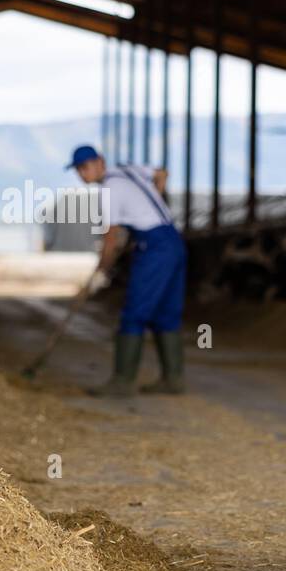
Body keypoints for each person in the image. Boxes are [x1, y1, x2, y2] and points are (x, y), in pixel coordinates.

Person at [68, 145, 187, 395]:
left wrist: (101, 272)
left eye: (85, 167)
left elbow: (110, 239)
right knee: (165, 312)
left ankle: (121, 382)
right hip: (173, 241)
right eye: (79, 169)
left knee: (134, 312)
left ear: (100, 161)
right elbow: (162, 173)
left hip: (154, 247)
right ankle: (173, 379)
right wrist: (153, 200)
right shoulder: (128, 169)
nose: (82, 174)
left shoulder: (108, 191)